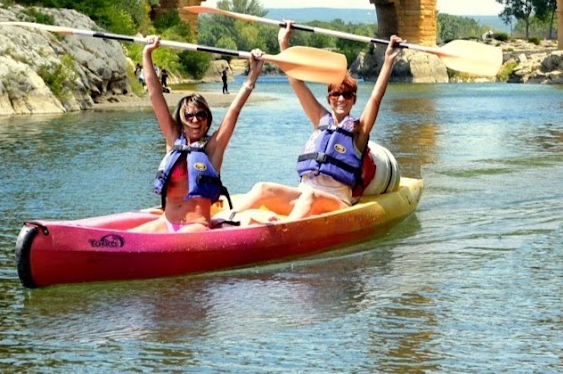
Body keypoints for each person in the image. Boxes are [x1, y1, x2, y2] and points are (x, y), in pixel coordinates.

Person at [230, 23, 403, 222]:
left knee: (310, 197)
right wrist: (283, 43)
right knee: (262, 188)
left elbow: (375, 98)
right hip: (304, 194)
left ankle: (284, 229)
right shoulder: (320, 119)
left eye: (347, 95)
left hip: (336, 200)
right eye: (336, 94)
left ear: (354, 100)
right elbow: (296, 82)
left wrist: (388, 60)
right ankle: (225, 220)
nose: (341, 99)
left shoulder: (358, 131)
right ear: (329, 98)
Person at [132, 35, 264, 233]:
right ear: (182, 118)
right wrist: (147, 53)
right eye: (190, 115)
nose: (195, 120)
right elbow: (154, 94)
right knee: (126, 239)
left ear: (207, 118)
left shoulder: (213, 148)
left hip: (196, 226)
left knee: (171, 243)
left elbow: (234, 110)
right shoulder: (173, 139)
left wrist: (253, 75)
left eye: (201, 115)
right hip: (167, 222)